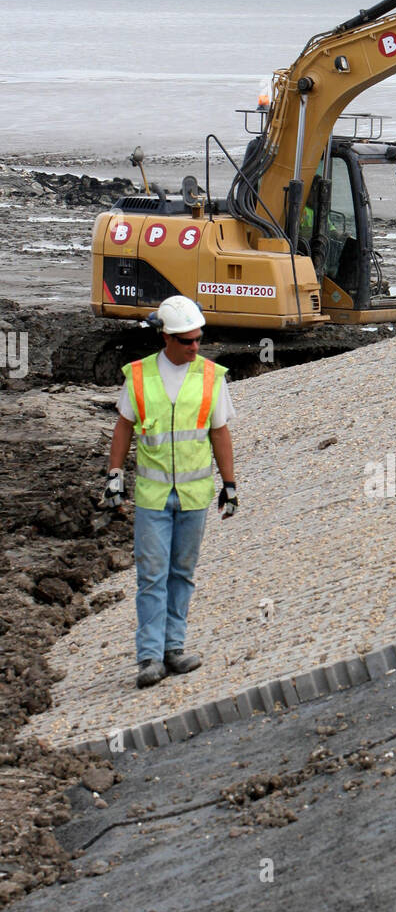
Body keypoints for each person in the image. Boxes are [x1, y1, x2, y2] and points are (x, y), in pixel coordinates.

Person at [101, 295, 239, 688]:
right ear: (166, 338)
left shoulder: (212, 377)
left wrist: (230, 485)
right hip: (152, 496)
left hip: (194, 496)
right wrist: (114, 475)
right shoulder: (139, 376)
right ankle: (148, 658)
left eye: (198, 339)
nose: (195, 347)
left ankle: (173, 650)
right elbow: (124, 427)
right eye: (187, 341)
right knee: (151, 576)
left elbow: (219, 432)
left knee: (182, 574)